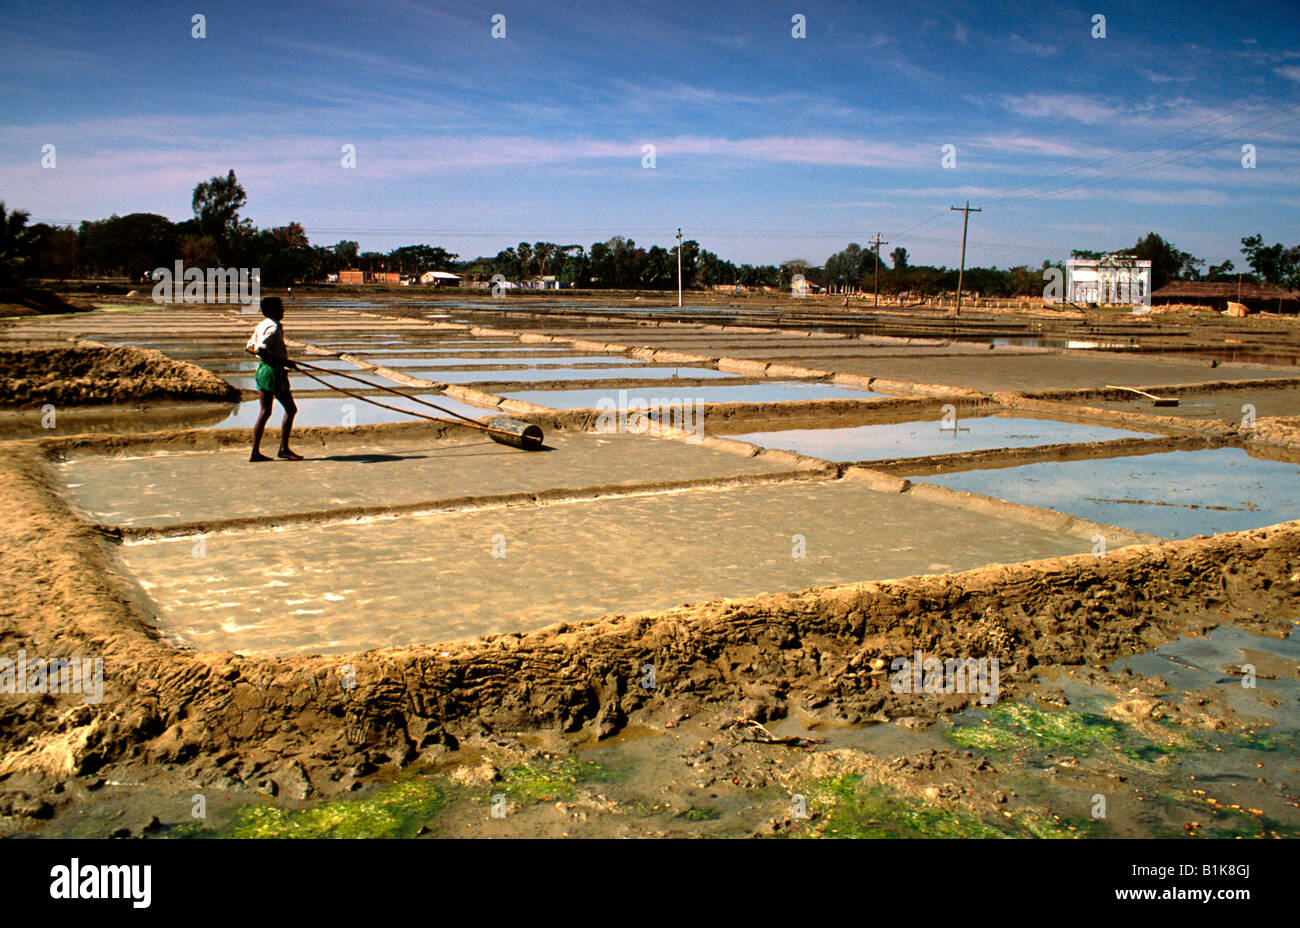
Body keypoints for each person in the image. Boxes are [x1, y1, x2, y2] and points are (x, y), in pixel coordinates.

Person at [245, 296, 302, 461]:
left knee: (265, 411)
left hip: (262, 370)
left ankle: (255, 452)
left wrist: (281, 361)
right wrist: (282, 362)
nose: (284, 310)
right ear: (273, 311)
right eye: (281, 307)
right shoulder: (274, 326)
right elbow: (260, 349)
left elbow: (249, 347)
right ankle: (284, 449)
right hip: (273, 372)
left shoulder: (263, 324)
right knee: (291, 409)